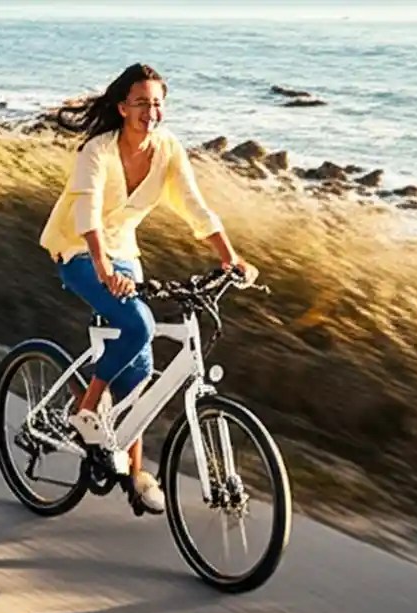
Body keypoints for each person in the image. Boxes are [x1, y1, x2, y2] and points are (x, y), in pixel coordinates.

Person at [39, 63, 257, 516]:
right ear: (122, 108)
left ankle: (136, 473)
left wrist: (228, 257)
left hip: (124, 255)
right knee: (139, 325)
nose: (150, 111)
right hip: (78, 250)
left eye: (157, 103)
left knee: (139, 368)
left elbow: (194, 206)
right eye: (141, 103)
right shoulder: (97, 151)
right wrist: (100, 267)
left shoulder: (168, 151)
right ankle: (87, 408)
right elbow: (89, 213)